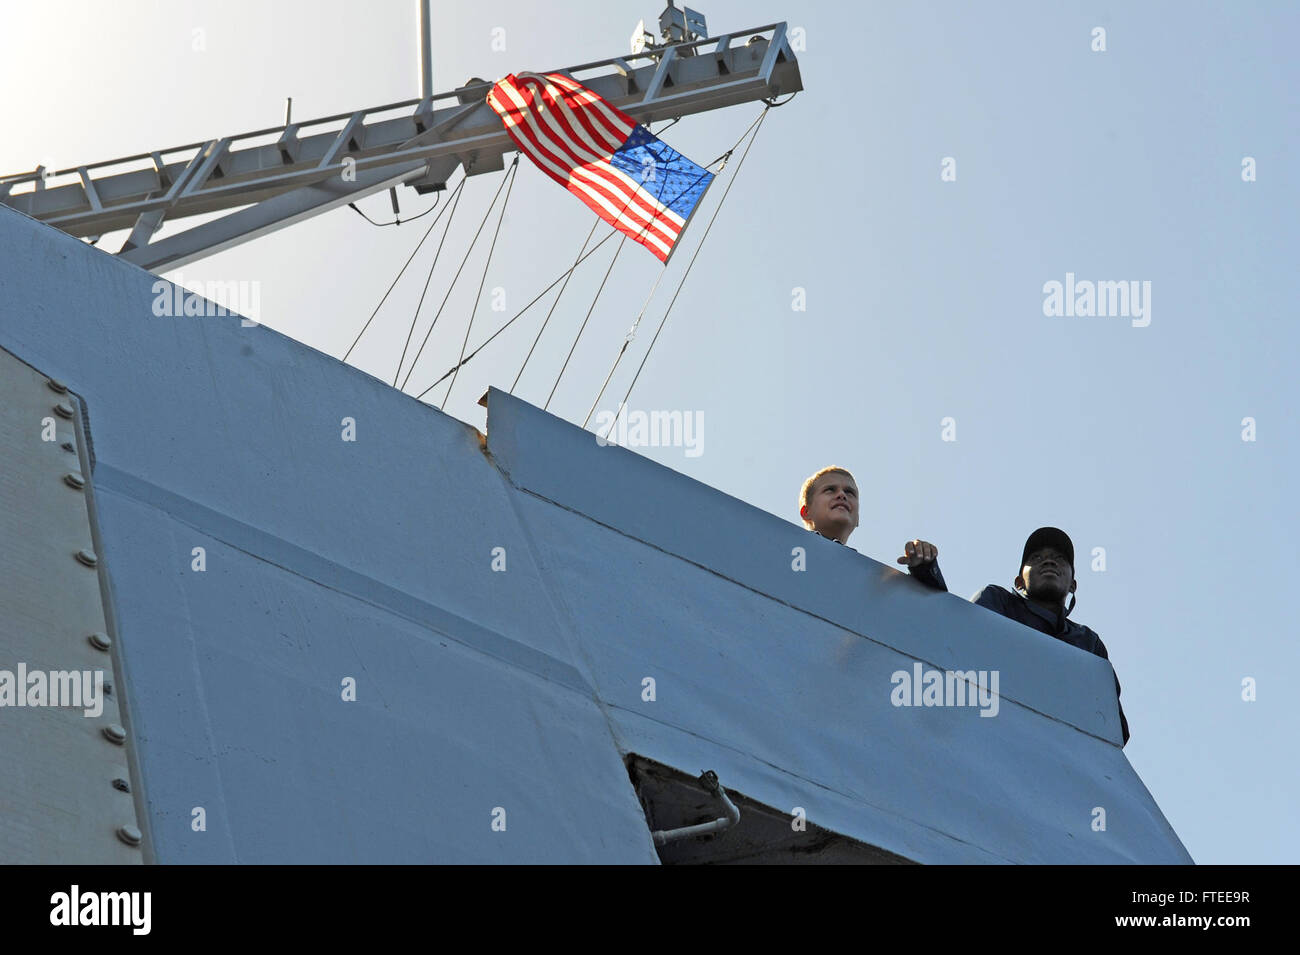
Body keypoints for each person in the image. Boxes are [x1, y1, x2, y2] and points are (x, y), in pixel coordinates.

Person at [972, 527, 1130, 745]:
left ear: (1073, 584)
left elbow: (1113, 727)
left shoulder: (1089, 642)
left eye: (1060, 558)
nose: (1049, 562)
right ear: (1019, 582)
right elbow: (959, 646)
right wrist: (927, 571)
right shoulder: (998, 601)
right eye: (1036, 558)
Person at [798, 466, 947, 591]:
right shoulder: (788, 555)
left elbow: (933, 618)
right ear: (806, 512)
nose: (842, 495)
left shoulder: (870, 583)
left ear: (857, 519)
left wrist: (924, 569)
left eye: (849, 492)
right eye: (830, 490)